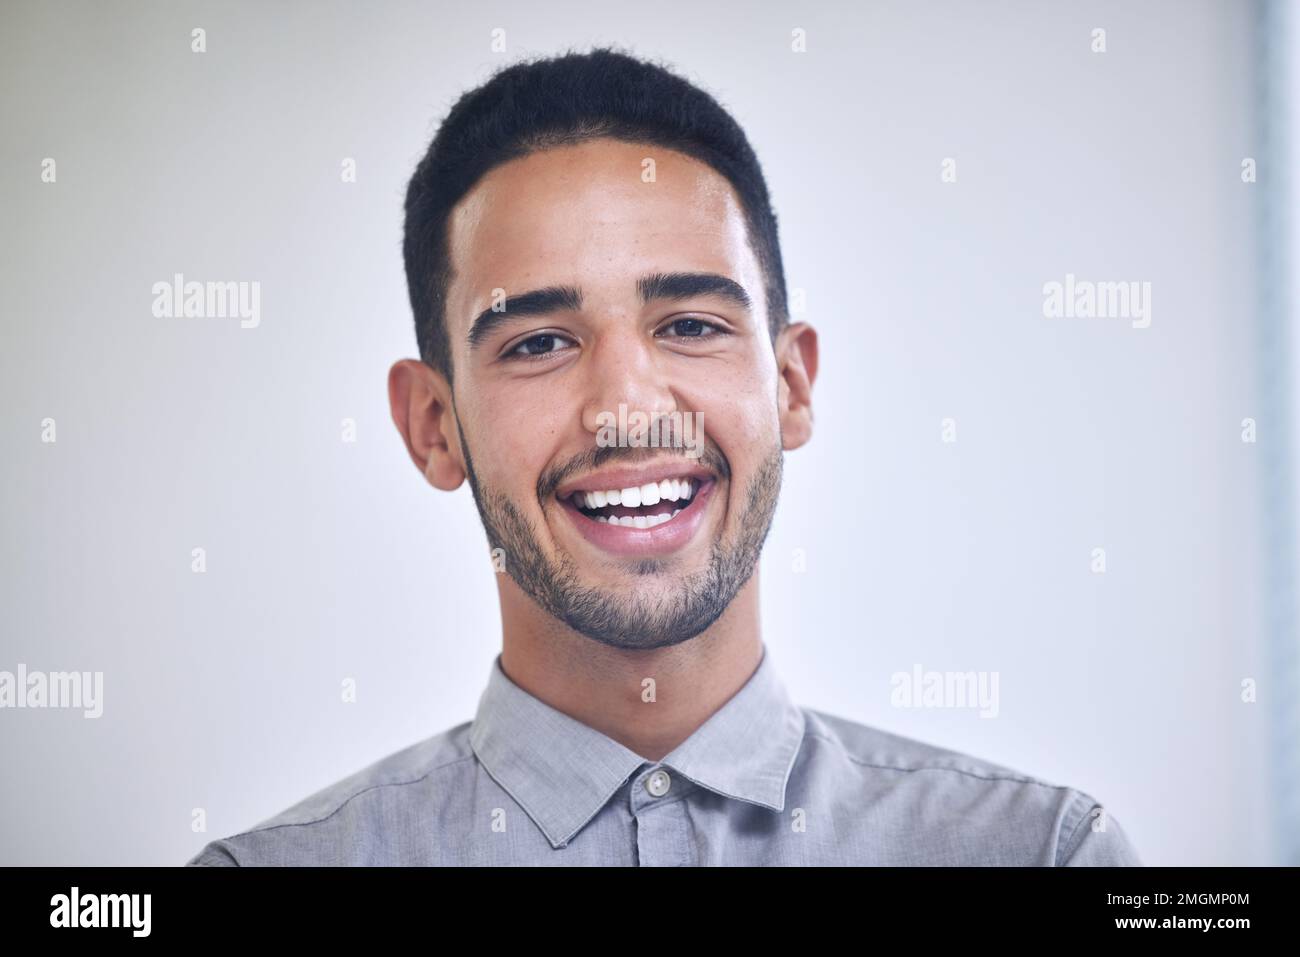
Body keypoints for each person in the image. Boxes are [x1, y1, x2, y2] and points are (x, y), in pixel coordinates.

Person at [187, 46, 1141, 866]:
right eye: (537, 343)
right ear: (434, 426)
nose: (629, 411)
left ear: (791, 386)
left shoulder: (1043, 853)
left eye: (689, 324)